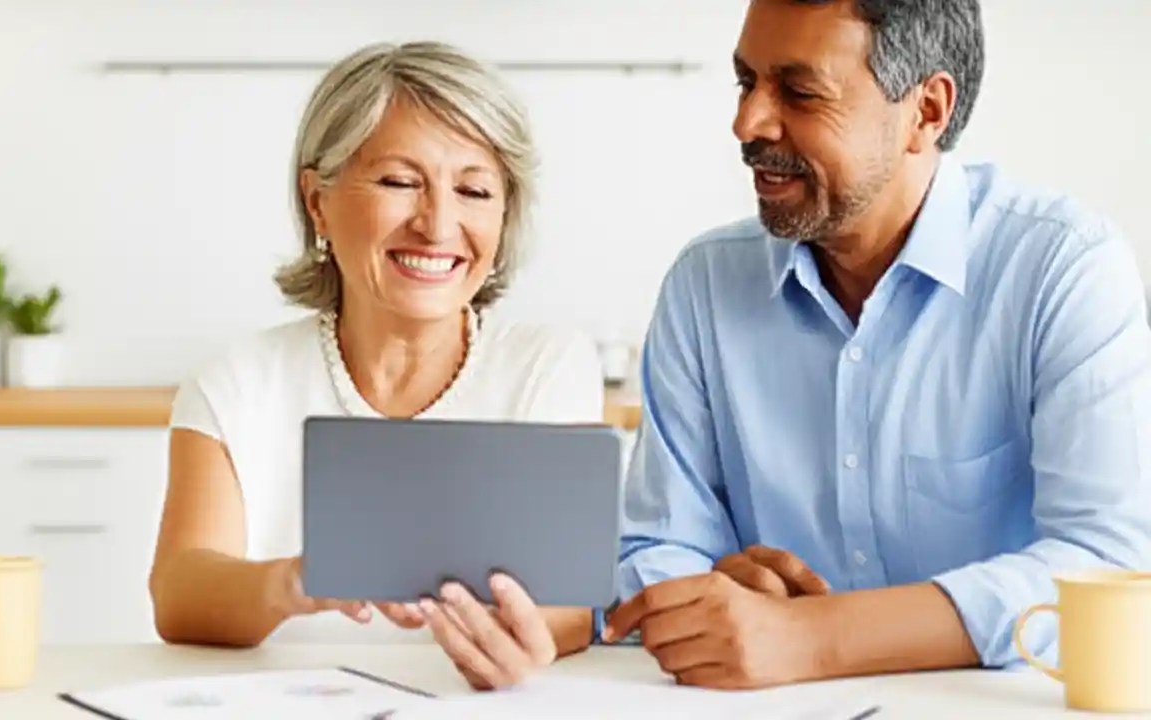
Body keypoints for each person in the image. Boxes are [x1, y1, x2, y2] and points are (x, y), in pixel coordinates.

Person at [450, 0, 1151, 692]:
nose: (747, 121)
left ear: (927, 111)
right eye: (745, 81)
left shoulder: (1063, 268)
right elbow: (660, 548)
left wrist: (816, 637)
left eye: (799, 91)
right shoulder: (706, 285)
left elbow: (1107, 564)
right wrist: (708, 590)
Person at [147, 41, 603, 683]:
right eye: (399, 182)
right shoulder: (234, 384)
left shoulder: (547, 366)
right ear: (317, 201)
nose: (439, 225)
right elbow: (180, 593)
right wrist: (302, 580)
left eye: (474, 190)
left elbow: (572, 602)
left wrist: (525, 641)